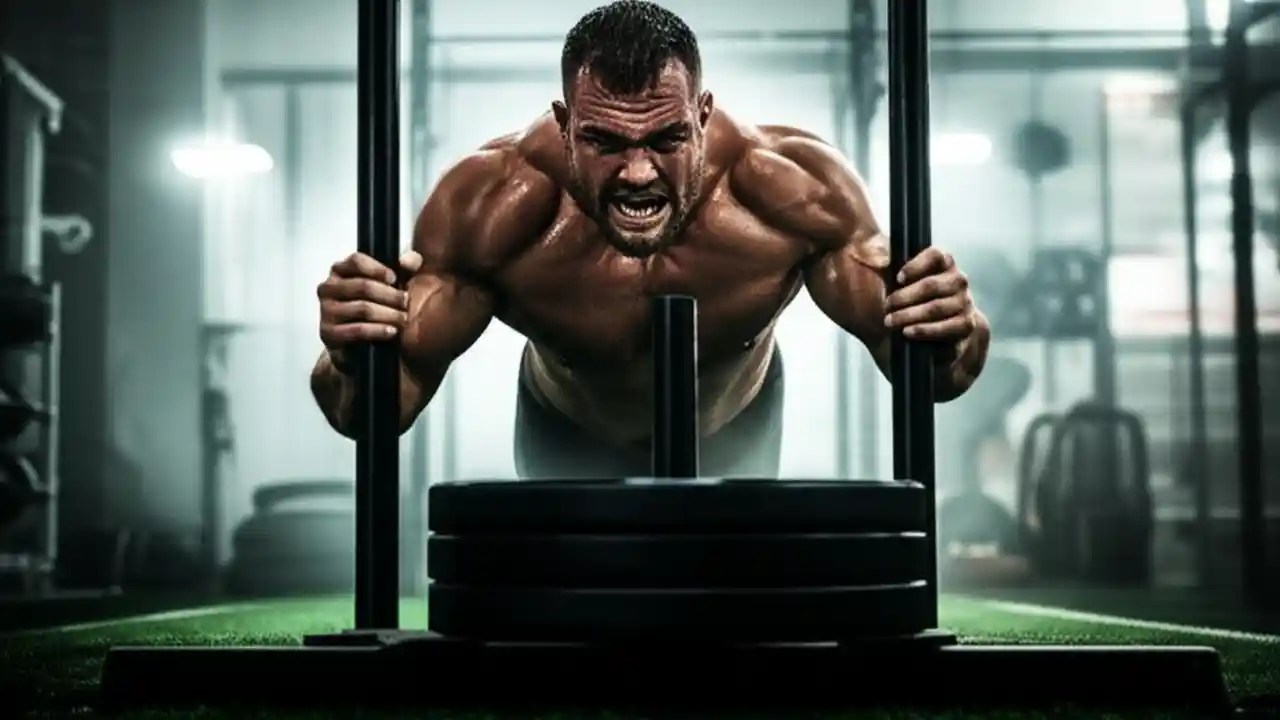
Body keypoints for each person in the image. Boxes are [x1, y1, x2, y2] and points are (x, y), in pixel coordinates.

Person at [311, 0, 990, 479]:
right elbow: (370, 411)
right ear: (565, 123)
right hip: (565, 434)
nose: (637, 173)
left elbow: (935, 374)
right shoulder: (492, 207)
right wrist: (349, 357)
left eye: (666, 139)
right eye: (604, 142)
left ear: (702, 115)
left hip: (734, 428)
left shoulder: (793, 193)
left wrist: (952, 329)